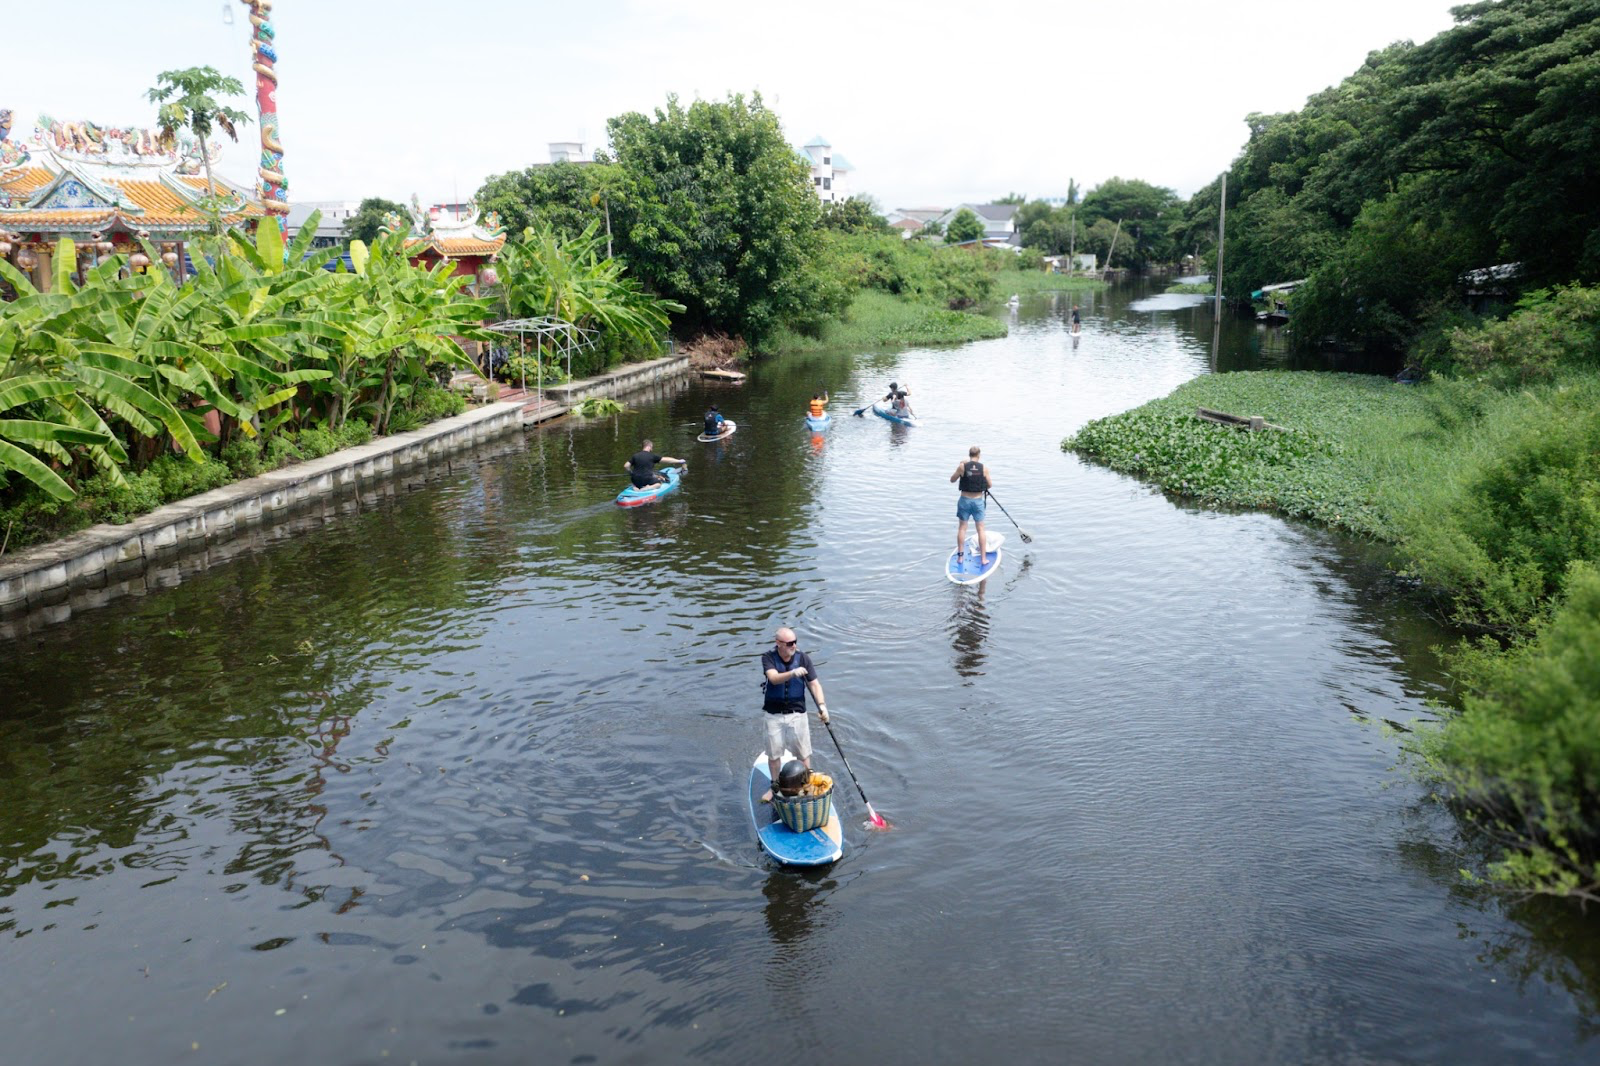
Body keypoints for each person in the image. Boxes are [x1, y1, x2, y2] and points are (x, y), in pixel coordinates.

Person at [759, 626, 828, 803]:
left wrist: (822, 706)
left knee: (803, 753)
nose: (794, 646)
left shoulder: (803, 658)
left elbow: (814, 684)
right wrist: (792, 673)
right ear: (778, 643)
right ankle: (775, 787)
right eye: (789, 643)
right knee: (774, 755)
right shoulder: (768, 658)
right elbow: (774, 678)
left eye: (795, 642)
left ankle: (806, 785)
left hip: (797, 713)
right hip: (774, 714)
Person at [950, 445, 992, 562]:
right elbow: (989, 485)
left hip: (964, 501)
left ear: (969, 455)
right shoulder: (984, 468)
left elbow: (952, 479)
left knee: (962, 528)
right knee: (981, 530)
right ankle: (983, 559)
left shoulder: (962, 467)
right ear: (979, 455)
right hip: (978, 502)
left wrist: (960, 466)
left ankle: (960, 557)